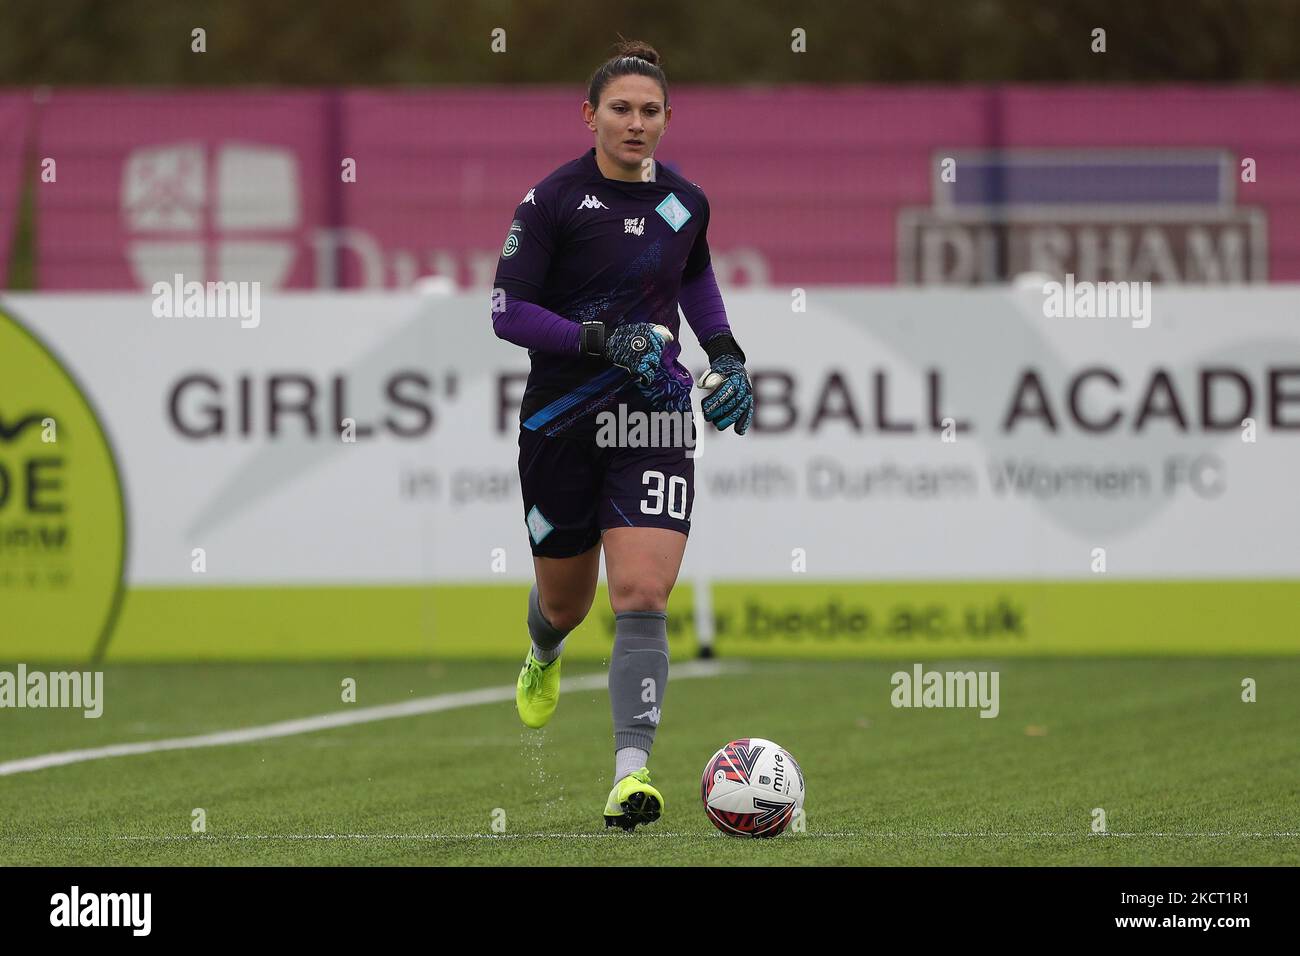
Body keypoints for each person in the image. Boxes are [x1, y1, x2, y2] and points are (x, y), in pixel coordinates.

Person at [490, 38, 753, 831]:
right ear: (590, 115)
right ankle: (542, 653)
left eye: (649, 112)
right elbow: (507, 313)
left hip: (653, 413)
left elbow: (693, 274)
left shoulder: (687, 201)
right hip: (561, 419)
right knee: (565, 606)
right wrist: (606, 340)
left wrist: (728, 355)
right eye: (620, 109)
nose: (635, 123)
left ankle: (630, 774)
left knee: (642, 593)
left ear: (668, 119)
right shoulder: (552, 201)